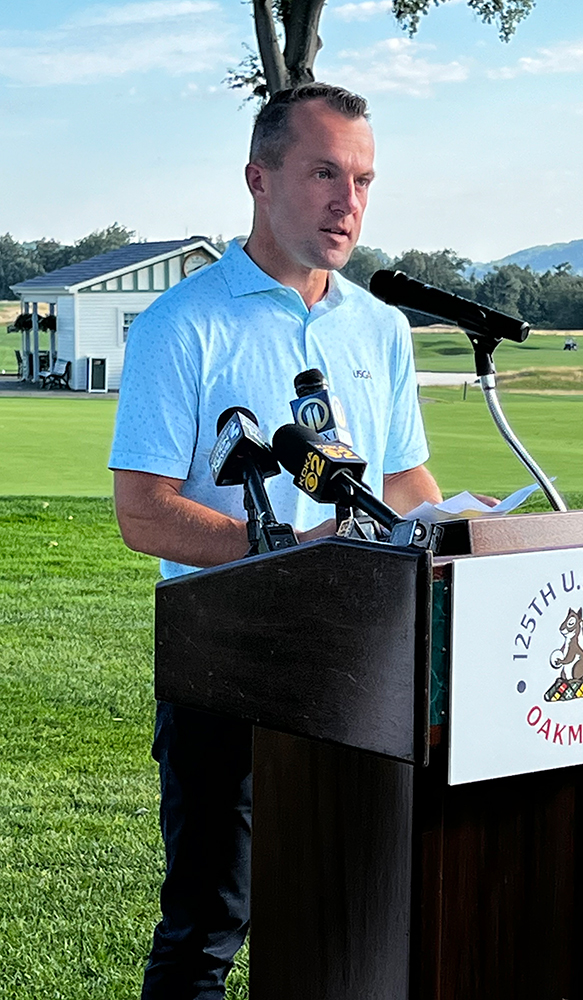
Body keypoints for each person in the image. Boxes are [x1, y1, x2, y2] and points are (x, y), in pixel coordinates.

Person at [109, 83, 442, 1000]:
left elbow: (405, 479)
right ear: (259, 178)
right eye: (326, 172)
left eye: (365, 179)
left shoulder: (382, 326)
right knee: (210, 928)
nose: (350, 200)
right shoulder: (185, 322)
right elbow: (142, 509)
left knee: (361, 907)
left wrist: (455, 526)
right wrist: (290, 553)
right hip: (227, 665)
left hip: (370, 665)